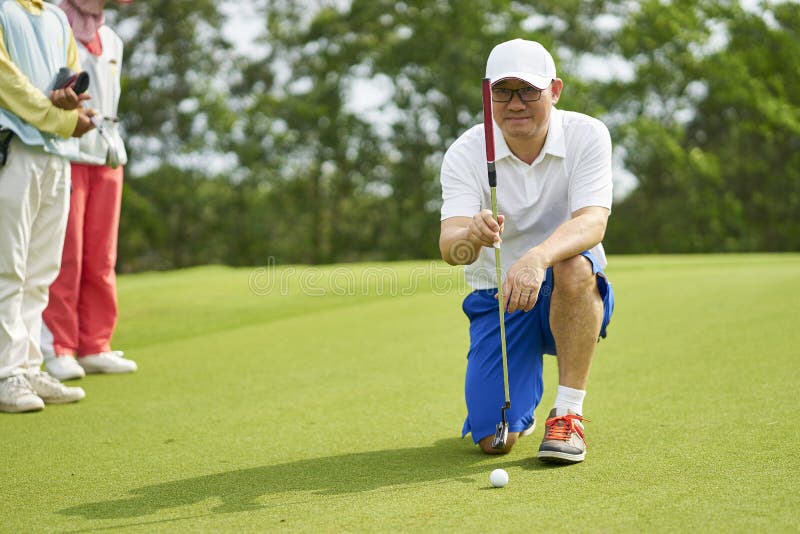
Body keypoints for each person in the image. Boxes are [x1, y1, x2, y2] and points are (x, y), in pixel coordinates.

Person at [439, 39, 615, 463]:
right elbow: (450, 248)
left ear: (554, 91)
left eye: (528, 90)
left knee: (573, 265)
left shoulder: (587, 134)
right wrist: (473, 238)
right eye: (504, 91)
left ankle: (568, 414)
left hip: (567, 288)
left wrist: (537, 258)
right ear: (488, 94)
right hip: (498, 298)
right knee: (493, 441)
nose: (515, 103)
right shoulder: (465, 151)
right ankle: (522, 402)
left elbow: (593, 222)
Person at [0, 0, 97, 412]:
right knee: (8, 267)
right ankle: (5, 374)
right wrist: (63, 121)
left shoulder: (57, 17)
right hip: (13, 146)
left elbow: (70, 84)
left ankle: (27, 365)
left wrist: (74, 105)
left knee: (40, 271)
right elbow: (9, 85)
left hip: (55, 155)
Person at [41, 0, 137, 380]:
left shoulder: (112, 39)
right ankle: (59, 347)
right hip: (68, 150)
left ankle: (96, 344)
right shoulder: (53, 27)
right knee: (68, 255)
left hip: (109, 153)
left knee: (102, 256)